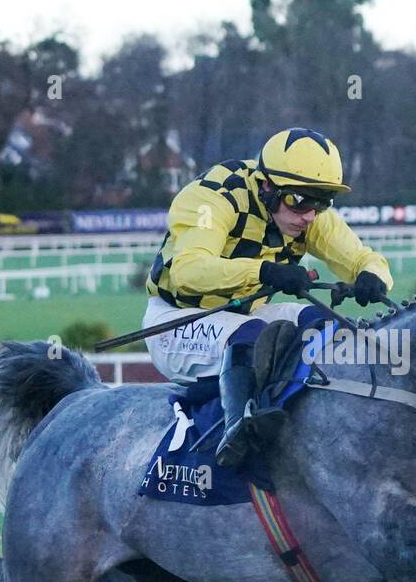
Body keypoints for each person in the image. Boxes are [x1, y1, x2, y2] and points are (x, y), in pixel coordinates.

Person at [141, 127, 393, 468]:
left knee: (323, 327)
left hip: (245, 315)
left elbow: (365, 258)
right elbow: (188, 272)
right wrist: (263, 272)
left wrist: (372, 277)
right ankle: (237, 436)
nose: (309, 215)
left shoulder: (310, 215)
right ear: (266, 186)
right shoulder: (214, 197)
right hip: (176, 319)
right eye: (299, 201)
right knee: (251, 336)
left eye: (321, 202)